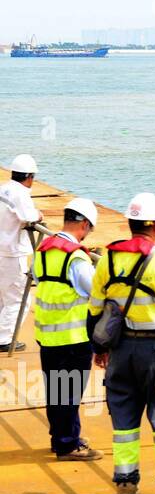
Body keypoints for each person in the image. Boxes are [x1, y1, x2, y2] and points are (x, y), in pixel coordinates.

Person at [87, 192, 155, 494]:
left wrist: (100, 347)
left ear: (130, 224)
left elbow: (95, 309)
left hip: (120, 350)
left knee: (123, 418)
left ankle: (125, 484)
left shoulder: (109, 259)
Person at [32, 198, 101, 461]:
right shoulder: (77, 257)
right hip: (73, 338)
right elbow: (94, 290)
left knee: (56, 390)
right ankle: (66, 444)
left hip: (47, 335)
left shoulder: (43, 250)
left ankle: (63, 436)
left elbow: (37, 277)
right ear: (84, 224)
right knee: (69, 393)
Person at [0, 153, 42, 353]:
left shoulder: (3, 189)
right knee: (18, 300)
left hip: (1, 250)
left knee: (2, 298)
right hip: (12, 253)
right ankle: (4, 340)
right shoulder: (20, 193)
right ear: (29, 177)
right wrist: (39, 214)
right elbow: (29, 216)